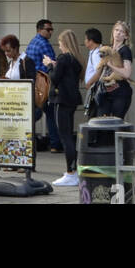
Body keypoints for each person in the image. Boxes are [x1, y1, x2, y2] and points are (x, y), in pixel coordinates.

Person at [49, 30, 84, 186]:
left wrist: (50, 65)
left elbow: (54, 78)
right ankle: (73, 170)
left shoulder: (63, 58)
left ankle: (71, 173)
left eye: (60, 43)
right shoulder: (75, 59)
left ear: (64, 43)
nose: (59, 46)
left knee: (65, 137)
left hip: (61, 100)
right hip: (71, 100)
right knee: (69, 135)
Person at [27, 19, 63, 151]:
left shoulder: (32, 42)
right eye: (48, 29)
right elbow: (53, 65)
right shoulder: (44, 44)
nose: (50, 32)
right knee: (48, 113)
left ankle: (51, 142)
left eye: (51, 29)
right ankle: (55, 143)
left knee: (40, 112)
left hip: (35, 83)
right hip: (44, 83)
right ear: (39, 29)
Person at [95, 21, 134, 118]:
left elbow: (127, 73)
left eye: (122, 31)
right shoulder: (108, 48)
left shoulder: (125, 50)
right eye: (116, 30)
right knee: (102, 123)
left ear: (126, 36)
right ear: (113, 32)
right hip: (106, 91)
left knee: (115, 125)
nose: (118, 33)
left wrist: (110, 65)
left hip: (120, 92)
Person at [83, 28, 103, 118]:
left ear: (91, 41)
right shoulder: (94, 52)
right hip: (94, 88)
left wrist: (89, 82)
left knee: (93, 114)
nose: (85, 41)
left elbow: (99, 72)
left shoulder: (97, 54)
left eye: (86, 39)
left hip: (95, 88)